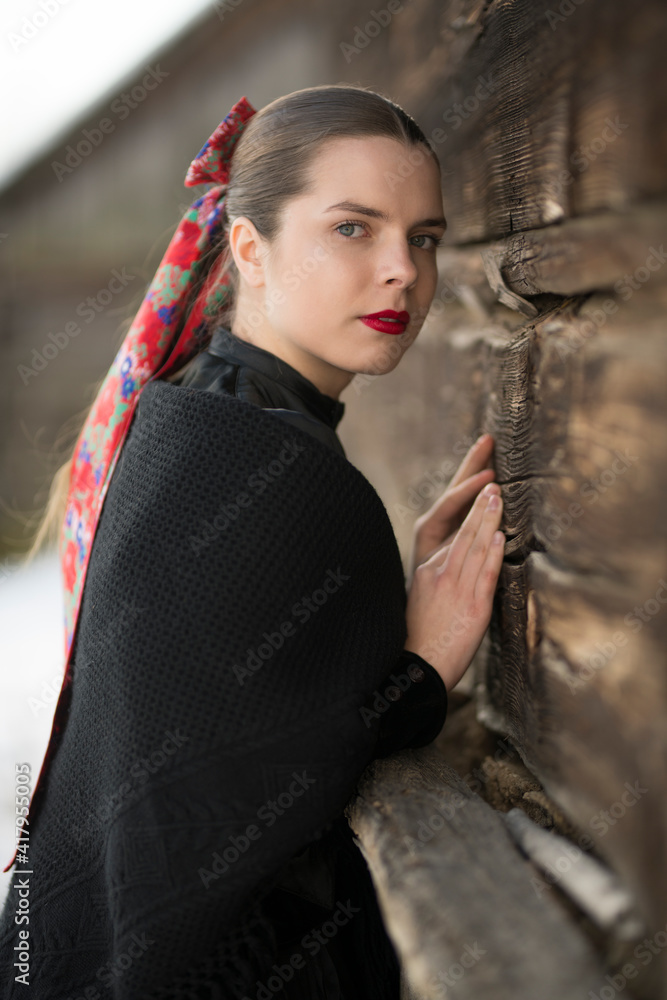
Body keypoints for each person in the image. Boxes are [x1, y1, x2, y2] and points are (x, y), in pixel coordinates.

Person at [0, 84, 504, 999]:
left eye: (422, 238)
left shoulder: (200, 410)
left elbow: (227, 706)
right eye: (353, 228)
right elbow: (214, 796)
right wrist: (421, 671)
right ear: (249, 248)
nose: (402, 270)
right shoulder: (261, 462)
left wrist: (380, 606)